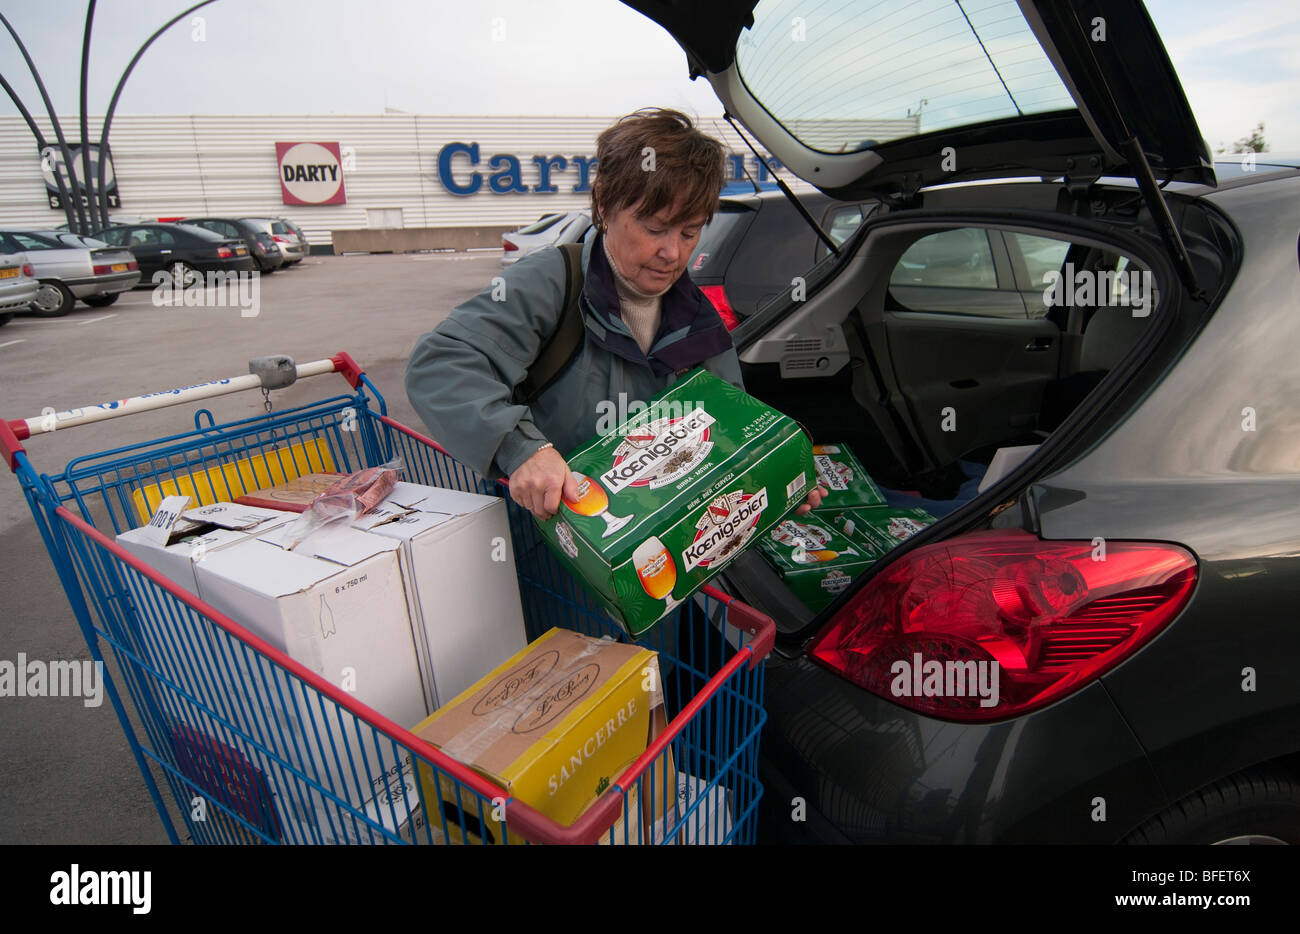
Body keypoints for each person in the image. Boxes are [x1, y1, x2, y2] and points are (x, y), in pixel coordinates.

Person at [405, 107, 824, 518]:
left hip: (653, 556)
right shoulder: (552, 282)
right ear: (604, 203)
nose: (672, 253)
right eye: (655, 228)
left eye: (690, 232)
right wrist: (523, 450)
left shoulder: (698, 319)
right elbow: (440, 365)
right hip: (551, 550)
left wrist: (773, 474)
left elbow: (728, 430)